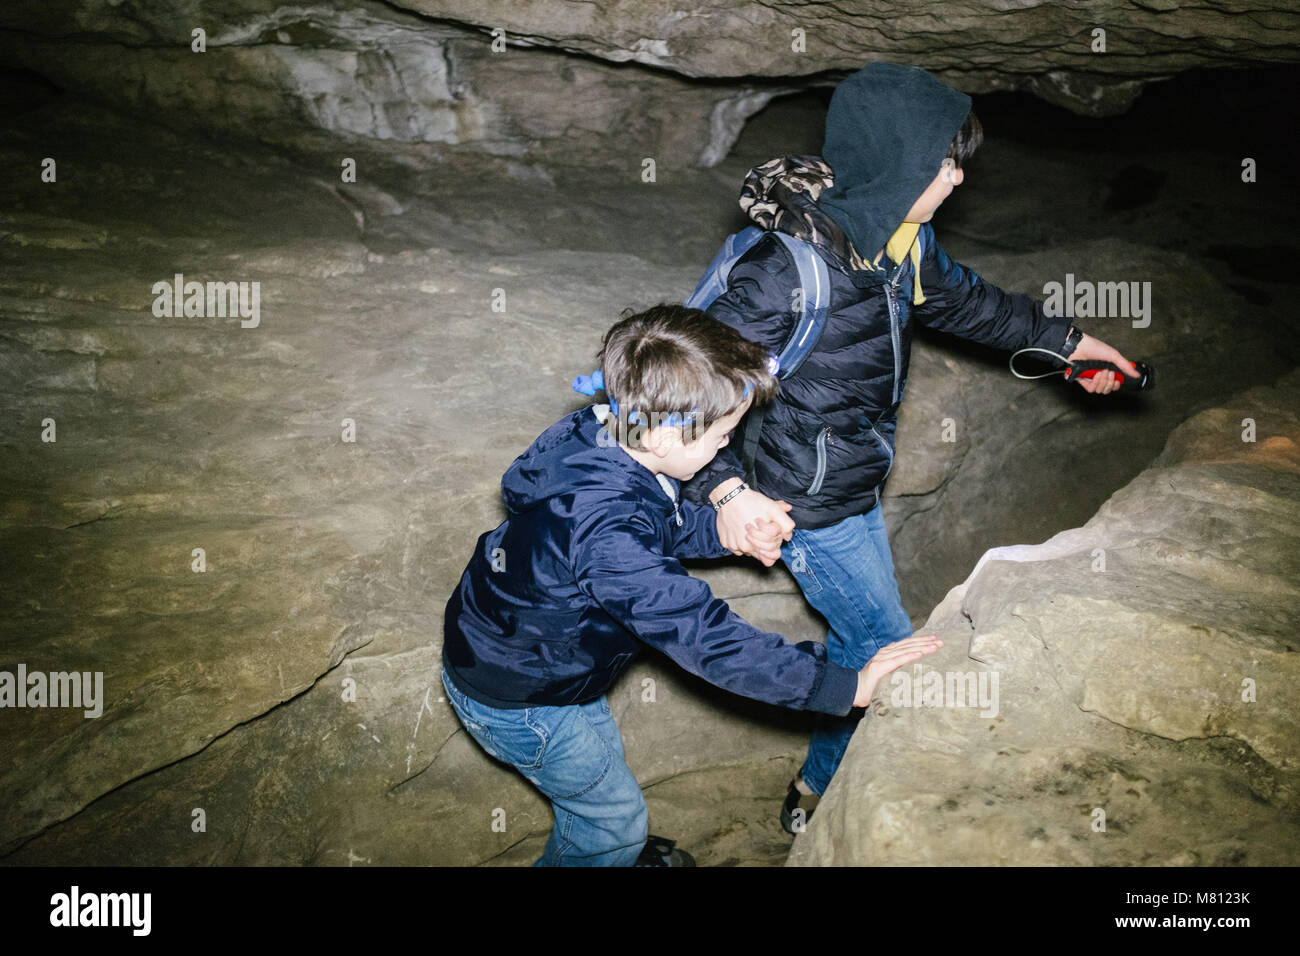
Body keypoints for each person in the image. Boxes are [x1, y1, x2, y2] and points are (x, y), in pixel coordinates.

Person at [680, 62, 1139, 832]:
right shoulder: (781, 274)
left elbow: (966, 301)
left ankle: (820, 770)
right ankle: (816, 797)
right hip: (804, 497)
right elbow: (671, 397)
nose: (958, 179)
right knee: (887, 642)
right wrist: (728, 492)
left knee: (864, 629)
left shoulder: (901, 238)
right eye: (945, 162)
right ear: (898, 164)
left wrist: (1071, 343)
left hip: (852, 473)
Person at [441, 304, 943, 865]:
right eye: (722, 434)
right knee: (614, 821)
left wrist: (725, 533)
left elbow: (651, 524)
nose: (727, 448)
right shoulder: (606, 532)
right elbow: (705, 638)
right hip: (521, 693)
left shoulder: (605, 433)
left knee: (598, 771)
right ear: (661, 436)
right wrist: (845, 688)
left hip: (539, 659)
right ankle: (609, 847)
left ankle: (603, 845)